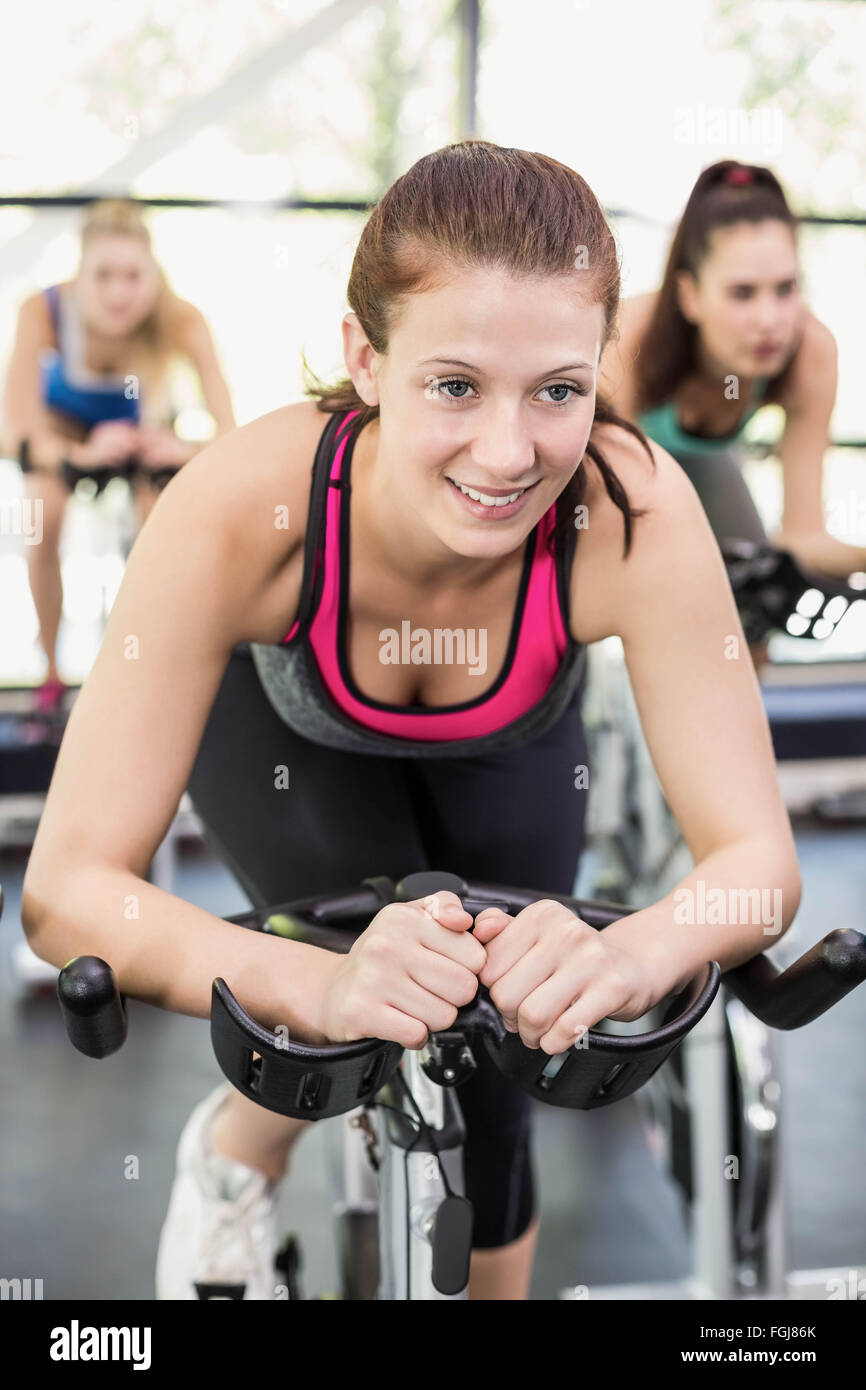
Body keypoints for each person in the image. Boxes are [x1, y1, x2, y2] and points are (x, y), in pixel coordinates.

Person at [20, 140, 802, 1302]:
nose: (508, 451)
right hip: (288, 737)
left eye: (558, 390)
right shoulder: (243, 507)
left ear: (599, 371)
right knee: (374, 994)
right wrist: (318, 991)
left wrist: (623, 950)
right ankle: (235, 1155)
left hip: (509, 745)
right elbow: (67, 886)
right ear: (365, 359)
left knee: (498, 1055)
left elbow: (755, 863)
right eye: (453, 385)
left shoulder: (628, 506)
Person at [2, 198, 236, 712]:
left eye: (133, 276)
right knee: (43, 510)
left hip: (146, 428)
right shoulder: (40, 312)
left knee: (160, 512)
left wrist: (183, 450)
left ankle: (145, 665)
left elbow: (230, 435)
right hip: (66, 432)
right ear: (79, 277)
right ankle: (51, 675)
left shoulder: (181, 319)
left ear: (154, 276)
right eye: (103, 276)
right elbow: (10, 432)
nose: (118, 293)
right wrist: (79, 454)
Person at [599, 159, 866, 590]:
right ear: (690, 296)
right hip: (610, 492)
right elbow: (617, 514)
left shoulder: (812, 351)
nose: (769, 320)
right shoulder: (627, 338)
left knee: (755, 598)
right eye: (742, 293)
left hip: (708, 466)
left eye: (785, 289)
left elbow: (803, 539)